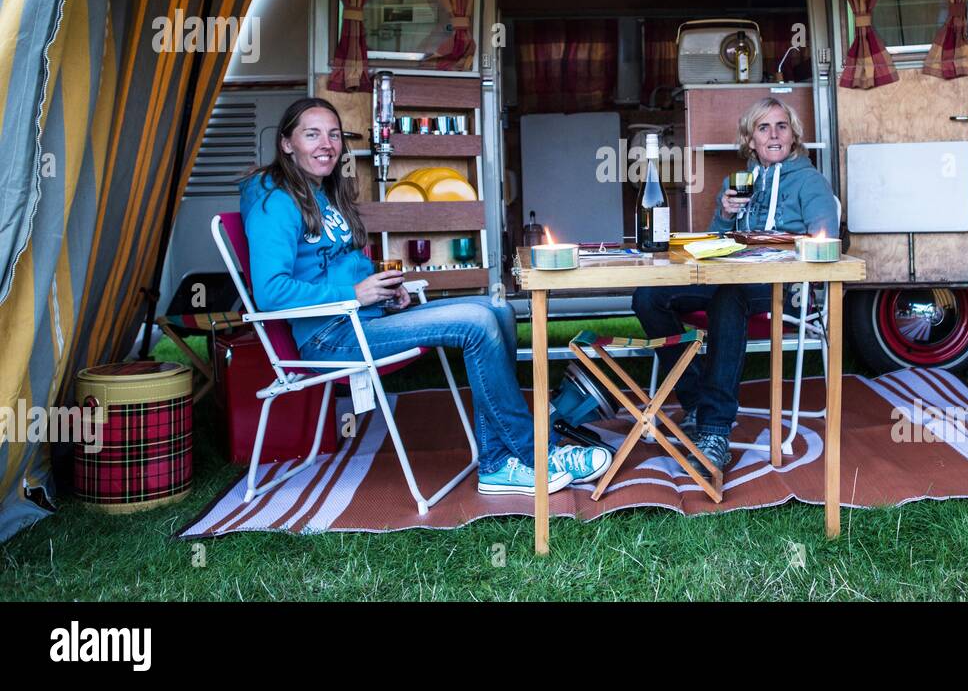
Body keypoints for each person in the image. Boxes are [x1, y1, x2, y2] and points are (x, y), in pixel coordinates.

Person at [239, 97, 610, 496]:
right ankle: (538, 455)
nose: (326, 144)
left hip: (363, 319)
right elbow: (270, 292)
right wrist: (355, 293)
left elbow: (339, 266)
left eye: (333, 134)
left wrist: (382, 293)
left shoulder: (320, 193)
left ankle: (498, 463)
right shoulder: (273, 200)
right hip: (329, 337)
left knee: (498, 309)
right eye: (311, 134)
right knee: (477, 323)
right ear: (286, 143)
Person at [632, 97, 838, 473]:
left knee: (729, 297)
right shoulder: (736, 182)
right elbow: (716, 246)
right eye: (764, 128)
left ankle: (714, 431)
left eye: (782, 127)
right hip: (736, 279)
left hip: (786, 288)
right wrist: (725, 215)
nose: (774, 134)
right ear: (750, 140)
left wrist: (776, 242)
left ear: (794, 137)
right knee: (648, 297)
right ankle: (695, 399)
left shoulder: (810, 181)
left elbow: (825, 237)